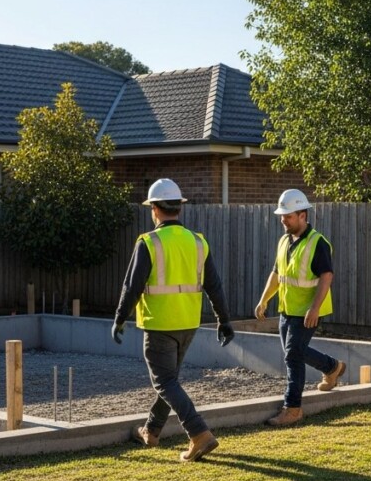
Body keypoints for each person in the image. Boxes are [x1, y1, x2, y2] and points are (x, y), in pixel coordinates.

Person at [112, 178, 235, 462]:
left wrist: (119, 318)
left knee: (165, 382)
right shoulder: (198, 241)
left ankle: (199, 433)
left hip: (158, 323)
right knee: (169, 381)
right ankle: (151, 432)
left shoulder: (149, 242)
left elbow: (131, 286)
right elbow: (214, 285)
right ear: (179, 207)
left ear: (154, 209)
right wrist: (224, 320)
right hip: (188, 322)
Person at [253, 189, 346, 427]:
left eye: (288, 216)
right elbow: (277, 273)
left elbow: (326, 276)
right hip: (287, 308)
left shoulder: (318, 243)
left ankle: (293, 408)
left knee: (293, 355)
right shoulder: (284, 240)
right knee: (294, 353)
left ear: (303, 215)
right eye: (282, 215)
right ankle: (333, 368)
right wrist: (264, 299)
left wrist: (314, 309)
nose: (283, 219)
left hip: (308, 311)